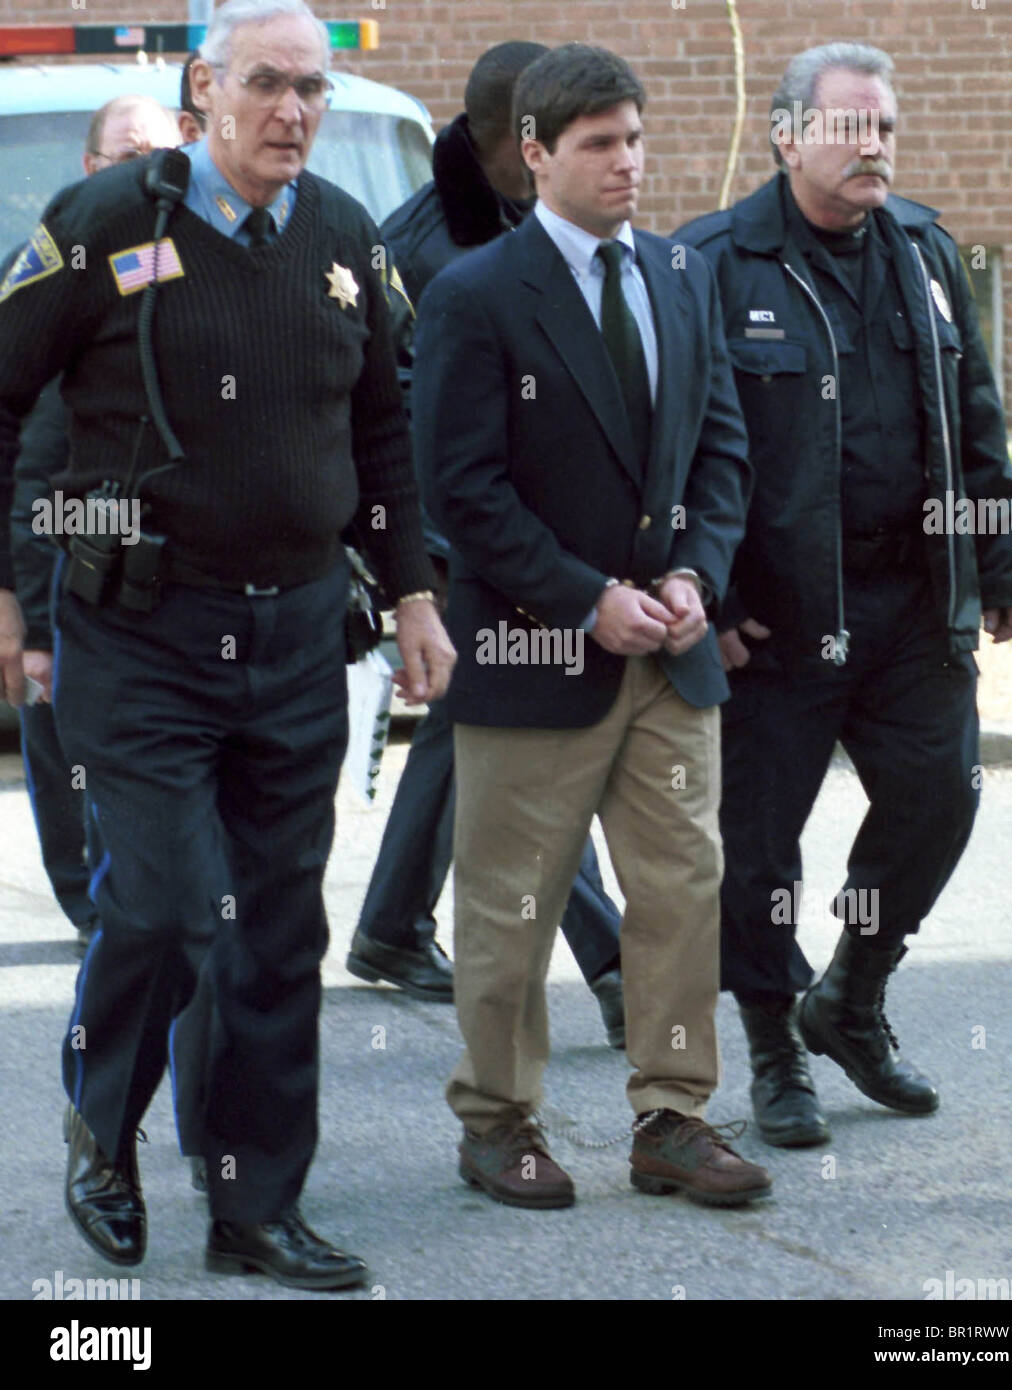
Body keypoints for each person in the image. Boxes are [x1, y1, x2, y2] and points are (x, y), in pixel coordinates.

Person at [0, 0, 454, 1290]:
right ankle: (105, 1122)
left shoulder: (347, 238)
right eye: (268, 85)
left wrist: (414, 597)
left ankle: (256, 1202)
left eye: (313, 90)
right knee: (162, 901)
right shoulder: (109, 229)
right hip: (142, 633)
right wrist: (6, 591)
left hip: (303, 632)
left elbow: (382, 436)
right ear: (207, 90)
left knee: (270, 928)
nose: (294, 113)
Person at [413, 43, 770, 1211]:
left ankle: (672, 1115)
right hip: (532, 655)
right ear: (536, 153)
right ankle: (499, 1120)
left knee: (679, 888)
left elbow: (721, 444)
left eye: (636, 138)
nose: (628, 162)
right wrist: (583, 597)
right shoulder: (476, 295)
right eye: (600, 144)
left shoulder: (679, 274)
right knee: (512, 898)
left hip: (669, 655)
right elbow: (461, 489)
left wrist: (695, 575)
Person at [675, 42, 1012, 1148]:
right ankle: (778, 1048)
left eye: (885, 126)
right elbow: (677, 446)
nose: (874, 143)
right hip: (777, 617)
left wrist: (1004, 558)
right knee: (761, 845)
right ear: (788, 135)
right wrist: (711, 593)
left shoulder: (924, 248)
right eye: (850, 126)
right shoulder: (712, 264)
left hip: (911, 598)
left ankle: (854, 992)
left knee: (943, 792)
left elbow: (975, 413)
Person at [348, 40, 626, 1047]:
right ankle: (619, 964)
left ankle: (386, 928)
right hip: (453, 545)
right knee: (531, 743)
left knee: (477, 736)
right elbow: (394, 422)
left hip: (521, 534)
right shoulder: (432, 253)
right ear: (515, 141)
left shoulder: (517, 220)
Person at [9, 97, 183, 955]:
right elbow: (35, 466)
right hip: (64, 558)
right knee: (62, 746)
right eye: (127, 153)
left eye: (160, 152)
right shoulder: (63, 276)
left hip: (161, 578)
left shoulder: (172, 262)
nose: (145, 167)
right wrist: (33, 617)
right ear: (90, 168)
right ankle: (93, 911)